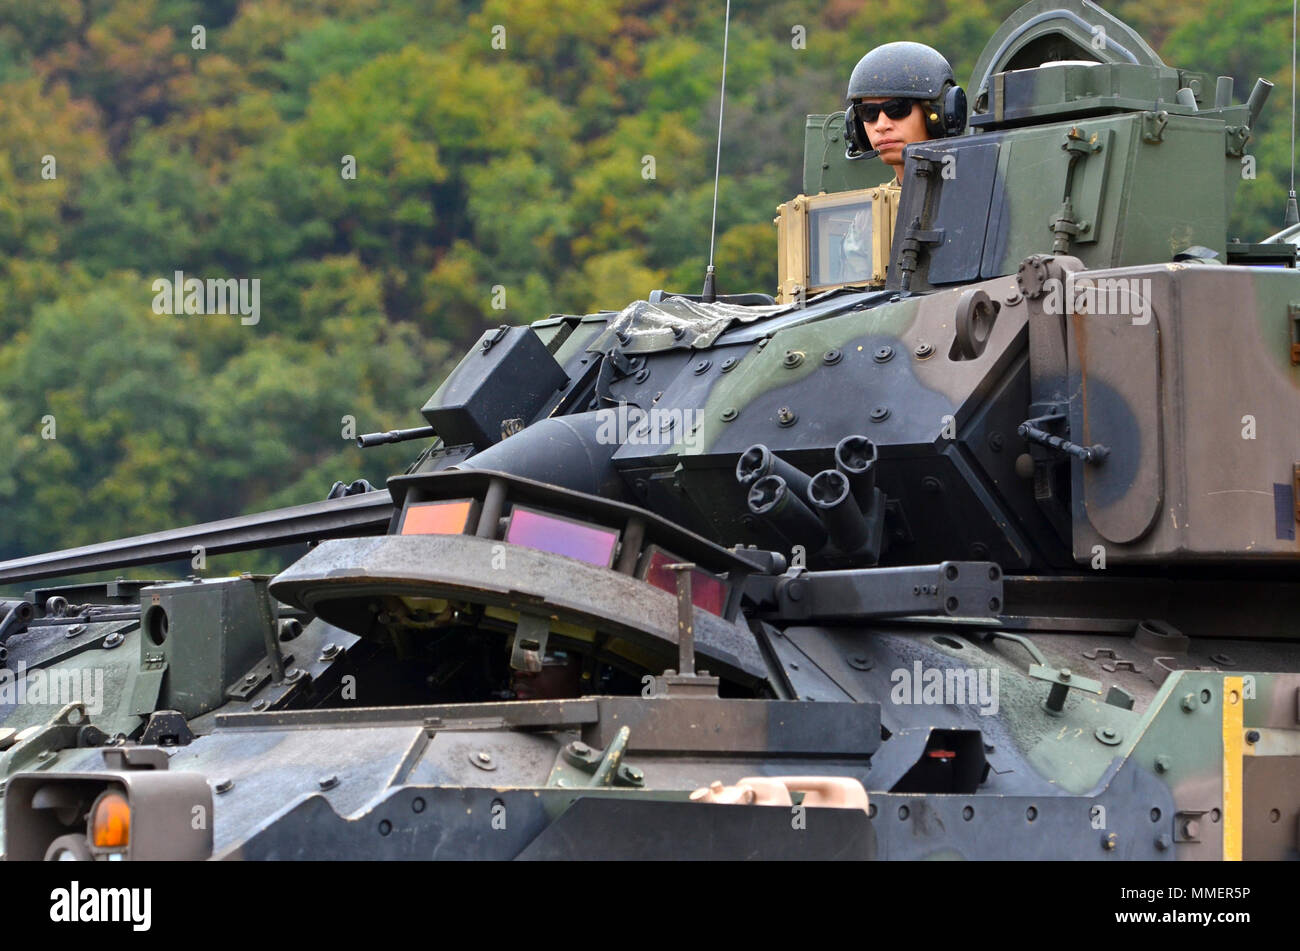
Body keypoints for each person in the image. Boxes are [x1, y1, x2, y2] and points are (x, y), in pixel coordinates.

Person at [844, 41, 966, 186]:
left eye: (897, 108)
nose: (881, 125)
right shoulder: (873, 205)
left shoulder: (981, 191)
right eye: (868, 112)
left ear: (941, 113)